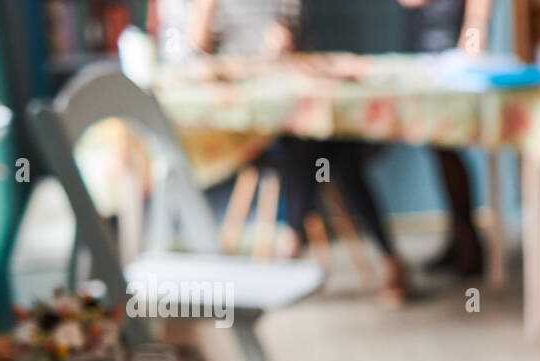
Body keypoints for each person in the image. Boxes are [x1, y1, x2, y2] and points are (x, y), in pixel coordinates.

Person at [186, 0, 411, 301]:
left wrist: (286, 47)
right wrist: (205, 12)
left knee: (328, 143)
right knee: (327, 149)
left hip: (290, 120)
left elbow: (302, 54)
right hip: (245, 134)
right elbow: (191, 57)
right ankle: (388, 257)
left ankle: (294, 238)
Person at [399, 0, 491, 278]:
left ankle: (468, 242)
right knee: (439, 149)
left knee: (449, 148)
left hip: (453, 60)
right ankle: (459, 238)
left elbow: (479, 12)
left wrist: (468, 57)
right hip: (423, 59)